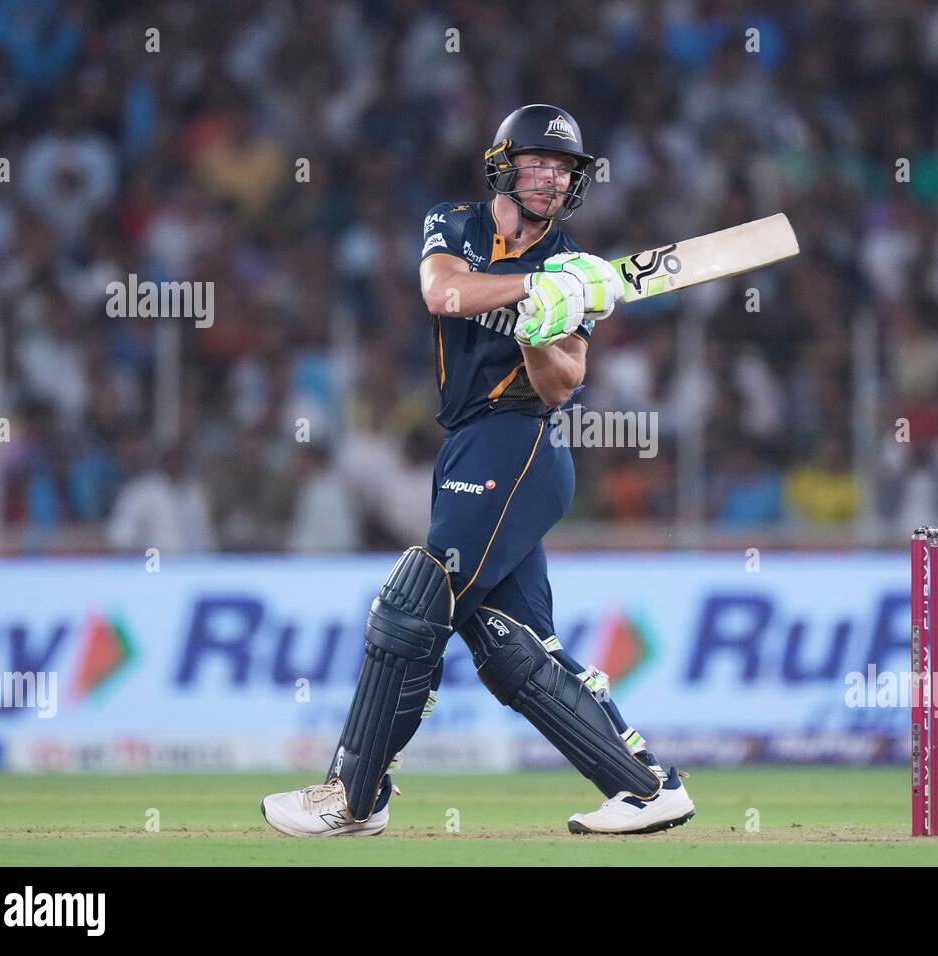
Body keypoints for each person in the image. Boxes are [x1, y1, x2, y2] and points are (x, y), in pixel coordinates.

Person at [262, 104, 695, 837]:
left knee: (415, 598)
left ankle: (355, 794)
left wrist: (542, 330)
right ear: (502, 164)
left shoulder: (573, 267)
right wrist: (533, 293)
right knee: (509, 641)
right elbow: (443, 292)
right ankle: (647, 788)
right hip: (467, 442)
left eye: (564, 170)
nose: (551, 180)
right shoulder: (457, 224)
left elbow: (563, 383)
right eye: (537, 164)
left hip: (518, 442)